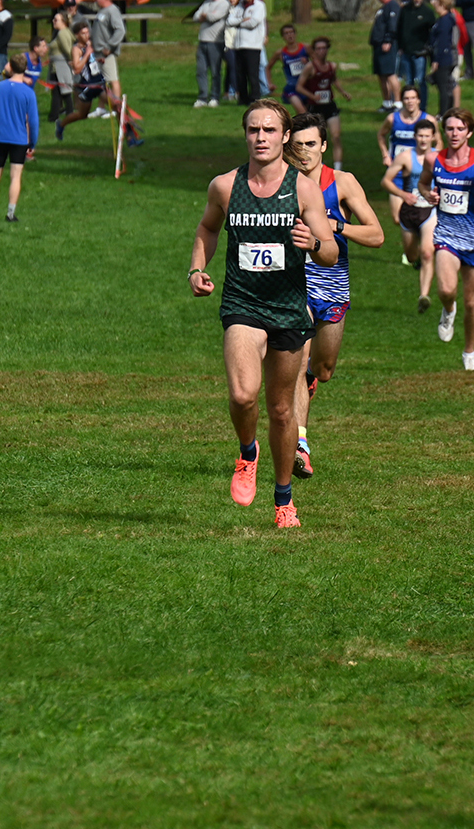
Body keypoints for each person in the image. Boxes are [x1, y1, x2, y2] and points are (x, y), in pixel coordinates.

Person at [187, 98, 339, 529]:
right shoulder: (224, 185)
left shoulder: (303, 188)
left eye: (270, 130)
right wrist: (198, 268)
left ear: (285, 136)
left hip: (289, 309)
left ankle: (284, 498)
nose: (260, 137)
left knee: (281, 410)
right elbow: (207, 228)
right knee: (242, 395)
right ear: (245, 134)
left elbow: (329, 251)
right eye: (253, 130)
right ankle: (247, 452)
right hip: (242, 304)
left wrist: (312, 242)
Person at [285, 112, 384, 481]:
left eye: (311, 144)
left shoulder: (342, 183)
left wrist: (337, 225)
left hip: (334, 286)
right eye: (298, 145)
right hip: (296, 284)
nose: (305, 152)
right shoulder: (283, 184)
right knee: (297, 356)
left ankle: (309, 379)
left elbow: (376, 235)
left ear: (324, 146)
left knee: (322, 370)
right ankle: (300, 445)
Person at [421, 107, 474, 370]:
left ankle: (469, 351)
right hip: (447, 236)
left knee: (472, 301)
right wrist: (428, 195)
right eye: (450, 128)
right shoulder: (434, 159)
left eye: (460, 129)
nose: (454, 134)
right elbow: (423, 184)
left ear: (470, 132)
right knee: (446, 290)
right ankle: (448, 310)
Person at [381, 115, 437, 308]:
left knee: (428, 252)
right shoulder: (405, 157)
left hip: (430, 210)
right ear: (415, 137)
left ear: (433, 137)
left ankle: (424, 295)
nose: (423, 140)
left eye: (426, 136)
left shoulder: (440, 157)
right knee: (412, 255)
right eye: (420, 136)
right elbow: (386, 181)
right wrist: (403, 195)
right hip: (409, 211)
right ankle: (416, 262)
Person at [0, 57, 39, 222]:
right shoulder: (28, 92)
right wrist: (33, 142)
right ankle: (10, 213)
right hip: (19, 139)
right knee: (15, 176)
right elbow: (33, 121)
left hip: (0, 136)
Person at [291, 38, 348, 168]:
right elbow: (299, 87)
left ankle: (338, 168)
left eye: (324, 48)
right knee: (315, 138)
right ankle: (316, 164)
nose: (321, 51)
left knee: (336, 136)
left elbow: (333, 80)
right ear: (314, 51)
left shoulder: (331, 66)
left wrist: (343, 92)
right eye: (318, 48)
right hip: (315, 108)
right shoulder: (310, 67)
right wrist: (312, 96)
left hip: (329, 105)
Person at [396, 0, 435, 112]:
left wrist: (428, 49)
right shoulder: (405, 10)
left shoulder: (427, 12)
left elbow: (432, 33)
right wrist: (400, 47)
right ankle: (408, 107)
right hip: (406, 52)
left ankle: (422, 108)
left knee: (421, 81)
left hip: (420, 53)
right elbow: (399, 29)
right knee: (408, 81)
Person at [230, 0, 268, 108]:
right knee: (240, 74)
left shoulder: (259, 6)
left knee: (252, 73)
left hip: (253, 45)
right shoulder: (239, 6)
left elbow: (253, 23)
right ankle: (243, 98)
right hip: (238, 45)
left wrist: (237, 22)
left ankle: (255, 98)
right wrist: (242, 20)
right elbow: (229, 21)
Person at [379, 85, 431, 163]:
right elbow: (381, 135)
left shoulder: (428, 120)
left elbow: (438, 142)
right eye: (406, 98)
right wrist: (385, 155)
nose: (410, 101)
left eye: (413, 98)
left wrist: (433, 159)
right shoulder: (392, 119)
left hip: (419, 165)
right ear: (402, 101)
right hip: (396, 165)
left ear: (418, 100)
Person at [193, 0, 230, 108]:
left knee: (215, 71)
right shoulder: (206, 3)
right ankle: (202, 97)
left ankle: (215, 97)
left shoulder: (224, 3)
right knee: (201, 70)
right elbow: (195, 16)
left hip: (216, 42)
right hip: (202, 41)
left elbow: (213, 17)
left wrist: (205, 16)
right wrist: (204, 16)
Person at [427, 0, 460, 114]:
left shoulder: (446, 21)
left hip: (444, 59)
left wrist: (436, 60)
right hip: (442, 57)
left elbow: (443, 42)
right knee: (445, 86)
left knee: (443, 88)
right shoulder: (442, 19)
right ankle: (447, 111)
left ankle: (444, 112)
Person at [369, 0, 401, 112]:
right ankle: (387, 102)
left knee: (390, 73)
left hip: (387, 45)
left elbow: (393, 24)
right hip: (378, 45)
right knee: (381, 74)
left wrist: (388, 40)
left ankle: (397, 103)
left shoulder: (393, 6)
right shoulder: (383, 8)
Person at [270, 24, 308, 105]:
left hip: (307, 85)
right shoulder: (280, 53)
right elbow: (268, 67)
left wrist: (307, 64)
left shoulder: (305, 48)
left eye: (291, 32)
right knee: (301, 111)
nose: (289, 35)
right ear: (283, 37)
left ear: (295, 34)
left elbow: (317, 64)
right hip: (292, 87)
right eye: (286, 33)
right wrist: (270, 83)